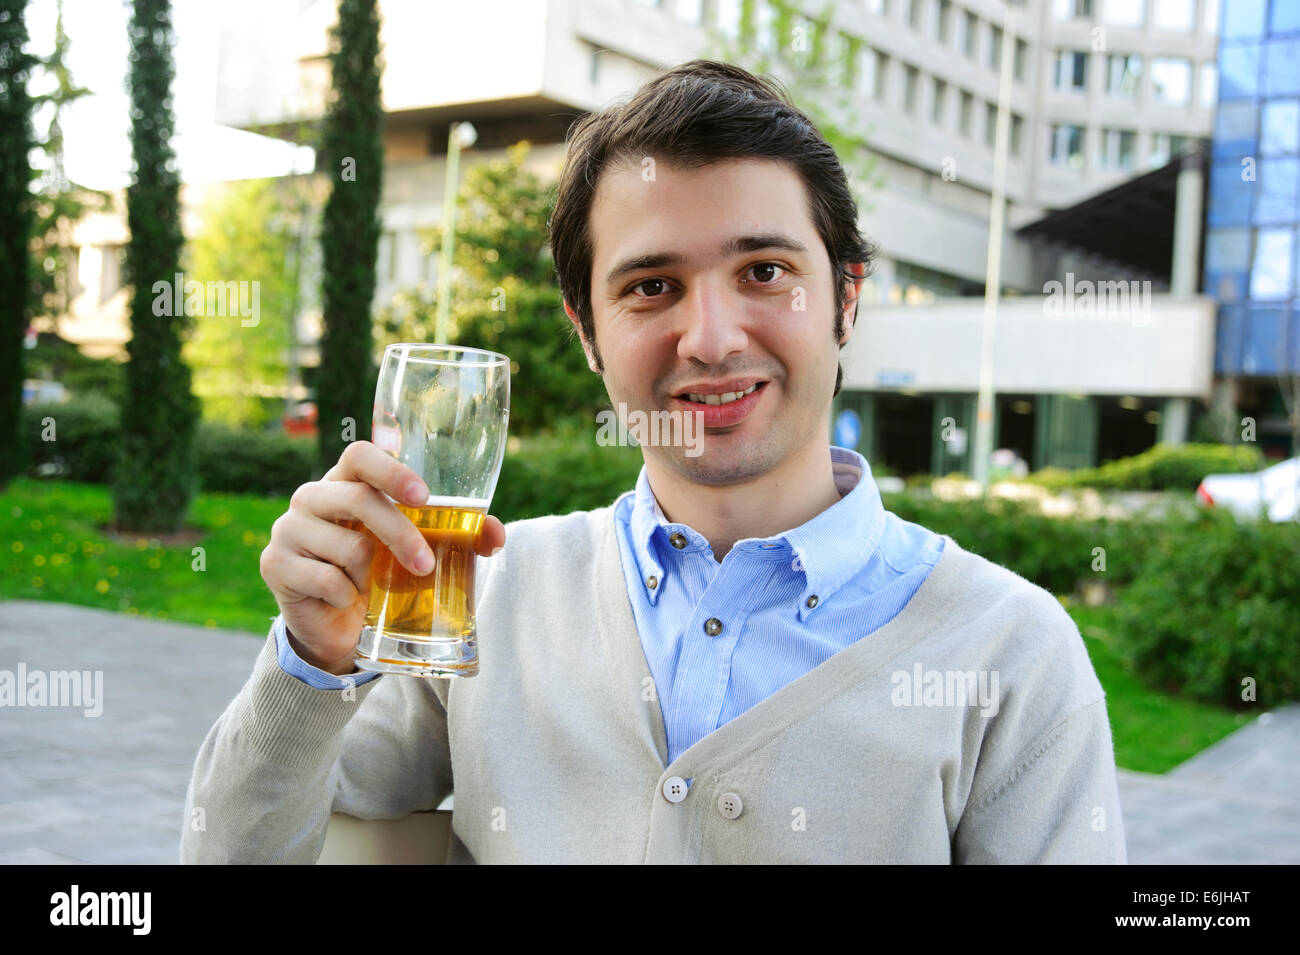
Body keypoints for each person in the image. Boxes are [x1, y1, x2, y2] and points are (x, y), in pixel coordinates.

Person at [181, 59, 1126, 864]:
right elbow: (236, 850)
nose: (711, 338)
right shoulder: (484, 602)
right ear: (587, 333)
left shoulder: (1013, 655)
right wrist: (311, 659)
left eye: (765, 271)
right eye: (652, 286)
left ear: (845, 300)